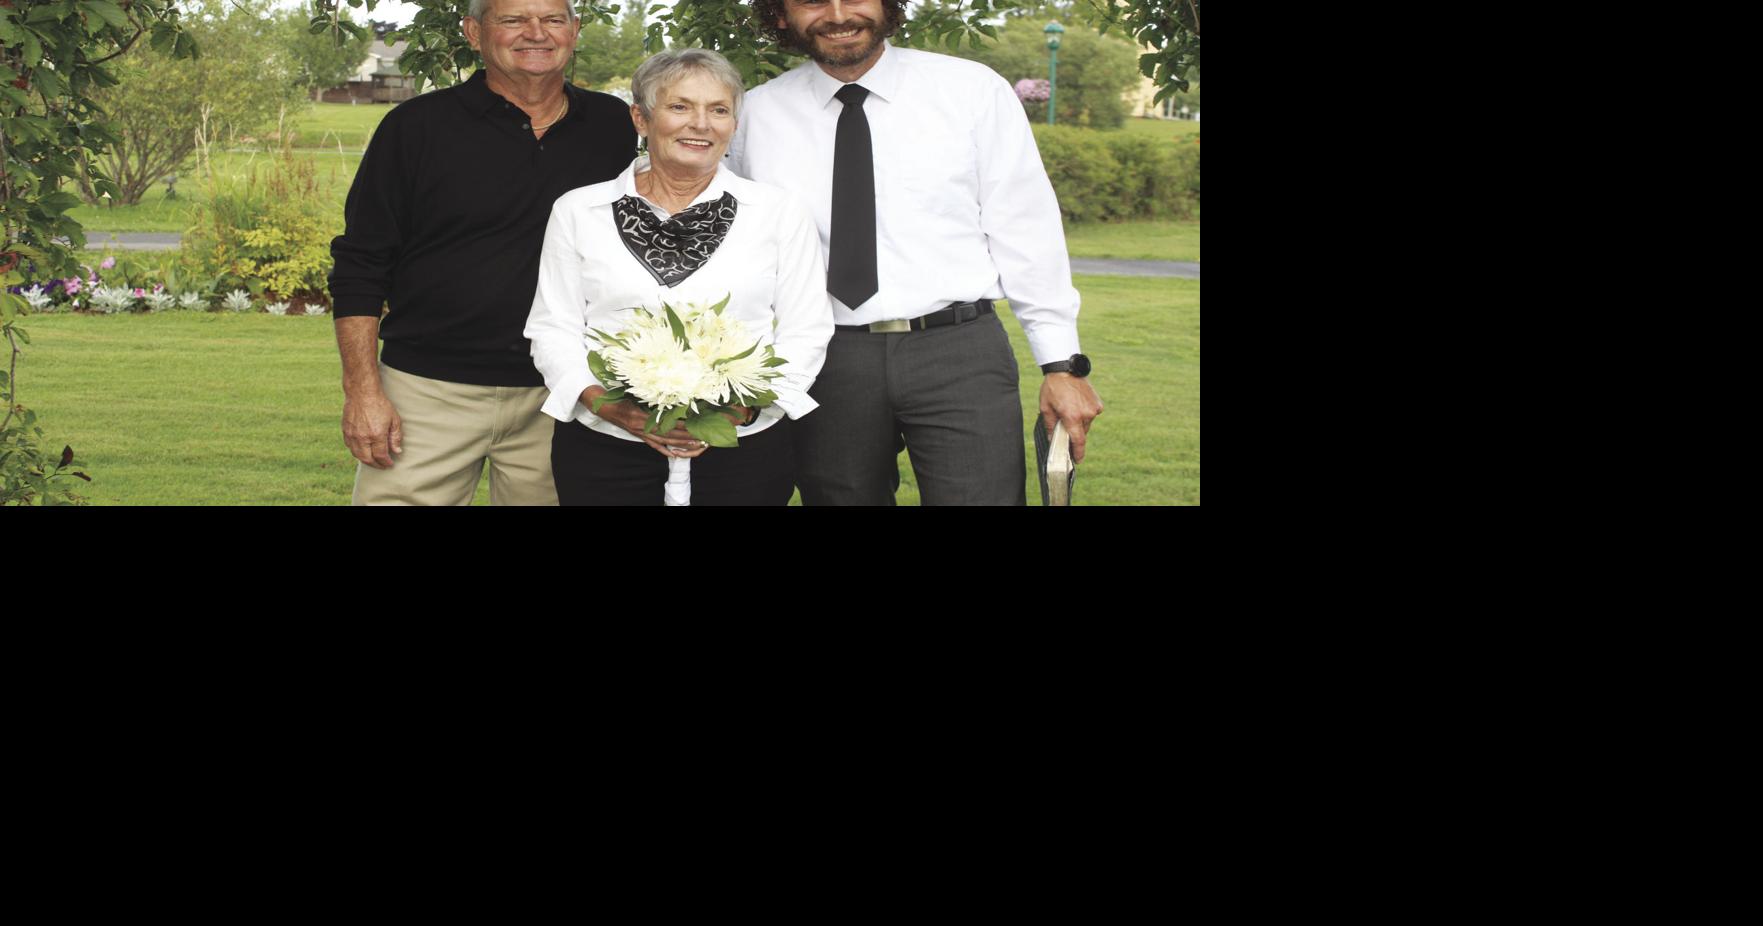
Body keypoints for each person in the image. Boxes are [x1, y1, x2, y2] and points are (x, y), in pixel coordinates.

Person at [729, 0, 1104, 506]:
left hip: (959, 352)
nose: (839, 14)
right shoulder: (754, 113)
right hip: (823, 359)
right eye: (814, 0)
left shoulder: (972, 91)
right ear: (779, 15)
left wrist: (1061, 364)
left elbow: (1026, 230)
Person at [327, 0, 635, 505]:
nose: (536, 33)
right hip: (426, 393)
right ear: (474, 32)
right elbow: (360, 264)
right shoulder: (415, 128)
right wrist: (362, 392)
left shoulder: (614, 127)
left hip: (563, 392)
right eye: (513, 19)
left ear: (575, 32)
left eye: (553, 19)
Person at [524, 49, 833, 506]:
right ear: (641, 118)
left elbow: (805, 330)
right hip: (606, 451)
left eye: (719, 110)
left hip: (744, 449)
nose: (701, 124)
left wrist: (740, 410)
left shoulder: (777, 213)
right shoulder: (579, 211)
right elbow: (554, 327)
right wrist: (607, 406)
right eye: (680, 106)